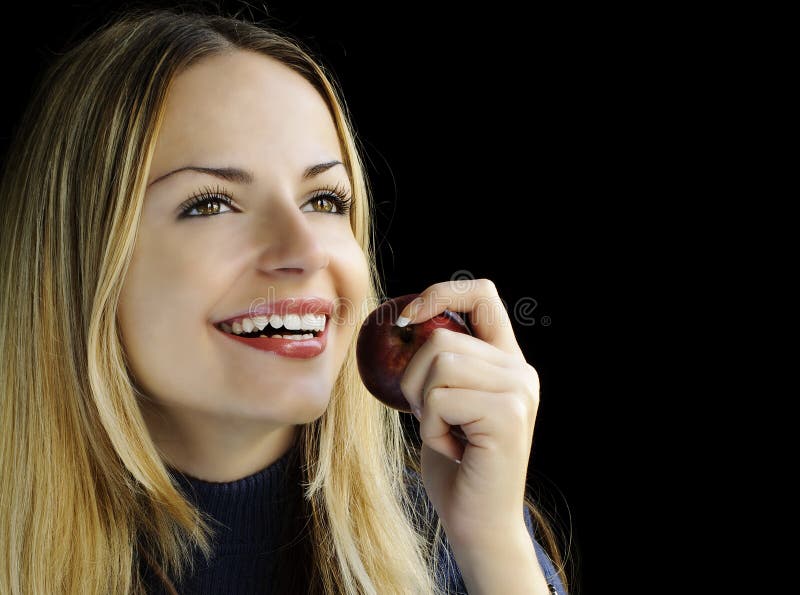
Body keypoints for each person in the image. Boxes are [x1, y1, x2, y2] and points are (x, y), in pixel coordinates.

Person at [0, 6, 569, 594]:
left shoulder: (460, 542)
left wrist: (490, 545)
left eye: (324, 200)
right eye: (211, 203)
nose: (304, 250)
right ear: (80, 260)